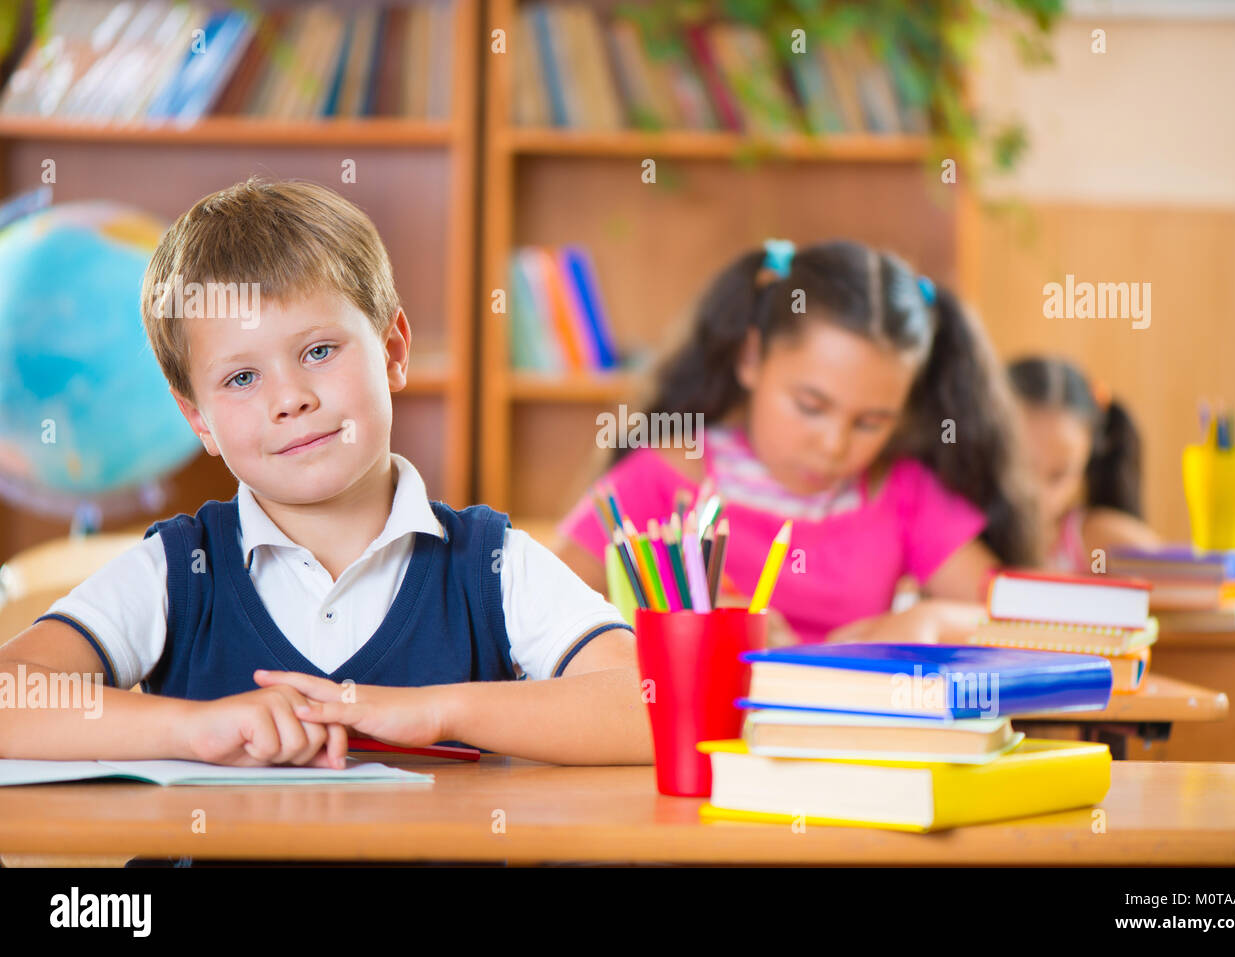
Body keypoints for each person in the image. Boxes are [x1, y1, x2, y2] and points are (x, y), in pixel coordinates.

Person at [0, 178, 651, 768]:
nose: (290, 399)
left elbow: (651, 708)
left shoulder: (492, 564)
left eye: (318, 351)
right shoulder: (175, 570)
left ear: (393, 352)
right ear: (197, 419)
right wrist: (191, 728)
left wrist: (439, 711)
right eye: (242, 377)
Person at [552, 239, 1039, 646]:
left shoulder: (904, 492)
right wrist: (675, 631)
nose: (833, 445)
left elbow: (1020, 622)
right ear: (751, 358)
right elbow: (539, 614)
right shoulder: (667, 477)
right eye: (810, 406)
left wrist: (924, 623)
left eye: (871, 421)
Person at [1008, 356, 1160, 573]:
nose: (1037, 493)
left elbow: (1191, 582)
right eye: (1021, 469)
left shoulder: (1097, 541)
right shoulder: (961, 541)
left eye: (1058, 475)